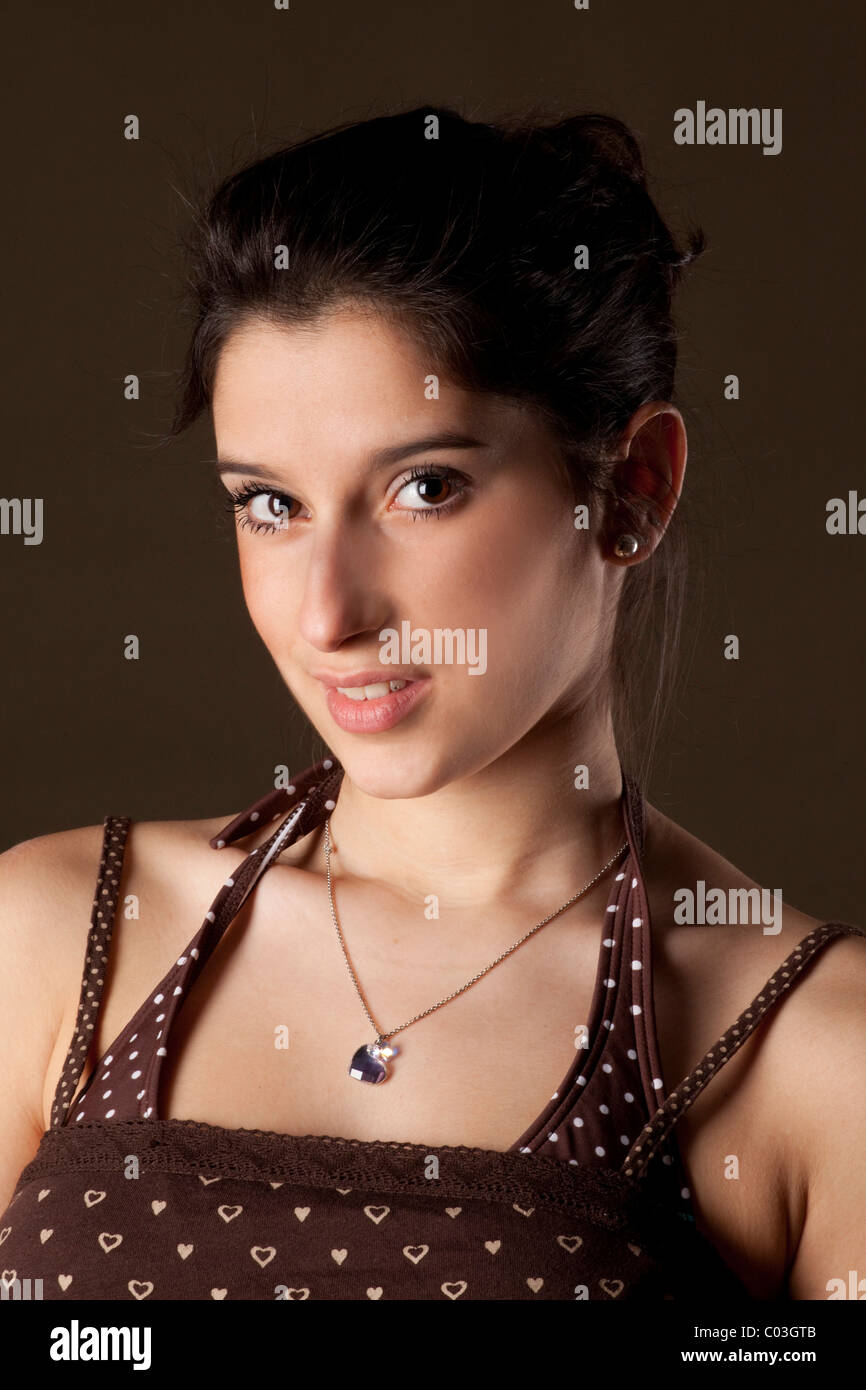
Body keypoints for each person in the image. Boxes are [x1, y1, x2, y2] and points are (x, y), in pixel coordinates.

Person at [1, 104, 863, 1303]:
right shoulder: (50, 942)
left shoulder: (812, 1055)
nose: (326, 614)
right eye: (268, 504)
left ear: (631, 489)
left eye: (422, 486)